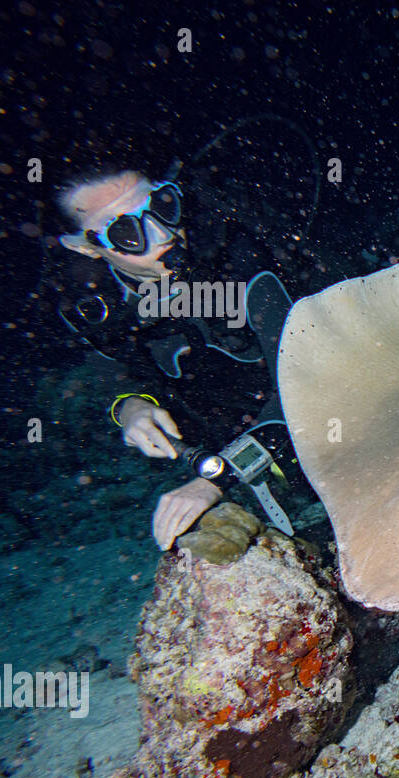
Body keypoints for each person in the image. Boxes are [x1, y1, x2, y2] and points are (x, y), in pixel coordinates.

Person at [55, 169, 304, 550]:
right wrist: (132, 407)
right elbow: (115, 375)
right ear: (85, 247)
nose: (163, 234)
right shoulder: (92, 305)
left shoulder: (241, 254)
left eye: (162, 206)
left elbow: (305, 382)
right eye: (125, 232)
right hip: (224, 431)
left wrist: (215, 479)